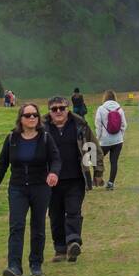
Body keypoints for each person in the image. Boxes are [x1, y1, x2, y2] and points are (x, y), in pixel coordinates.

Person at [0, 102, 61, 276]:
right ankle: (14, 266)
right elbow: (2, 164)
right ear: (21, 119)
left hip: (40, 188)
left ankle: (36, 264)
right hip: (17, 188)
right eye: (28, 115)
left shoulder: (45, 138)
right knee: (16, 226)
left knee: (38, 226)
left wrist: (53, 173)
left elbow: (56, 158)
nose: (32, 118)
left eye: (35, 114)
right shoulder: (12, 139)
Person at [44, 95, 101, 263]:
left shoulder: (80, 125)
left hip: (76, 178)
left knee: (73, 211)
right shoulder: (42, 129)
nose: (59, 111)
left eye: (62, 108)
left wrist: (96, 171)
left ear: (68, 108)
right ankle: (60, 249)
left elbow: (91, 147)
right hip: (51, 181)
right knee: (55, 215)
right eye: (54, 109)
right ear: (50, 112)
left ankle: (73, 242)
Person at [94, 90, 127, 190]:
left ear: (105, 97)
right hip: (118, 141)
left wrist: (98, 138)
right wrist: (120, 135)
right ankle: (111, 183)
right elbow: (124, 125)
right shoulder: (119, 109)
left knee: (96, 159)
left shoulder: (101, 108)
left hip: (104, 141)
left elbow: (98, 125)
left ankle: (96, 179)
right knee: (114, 162)